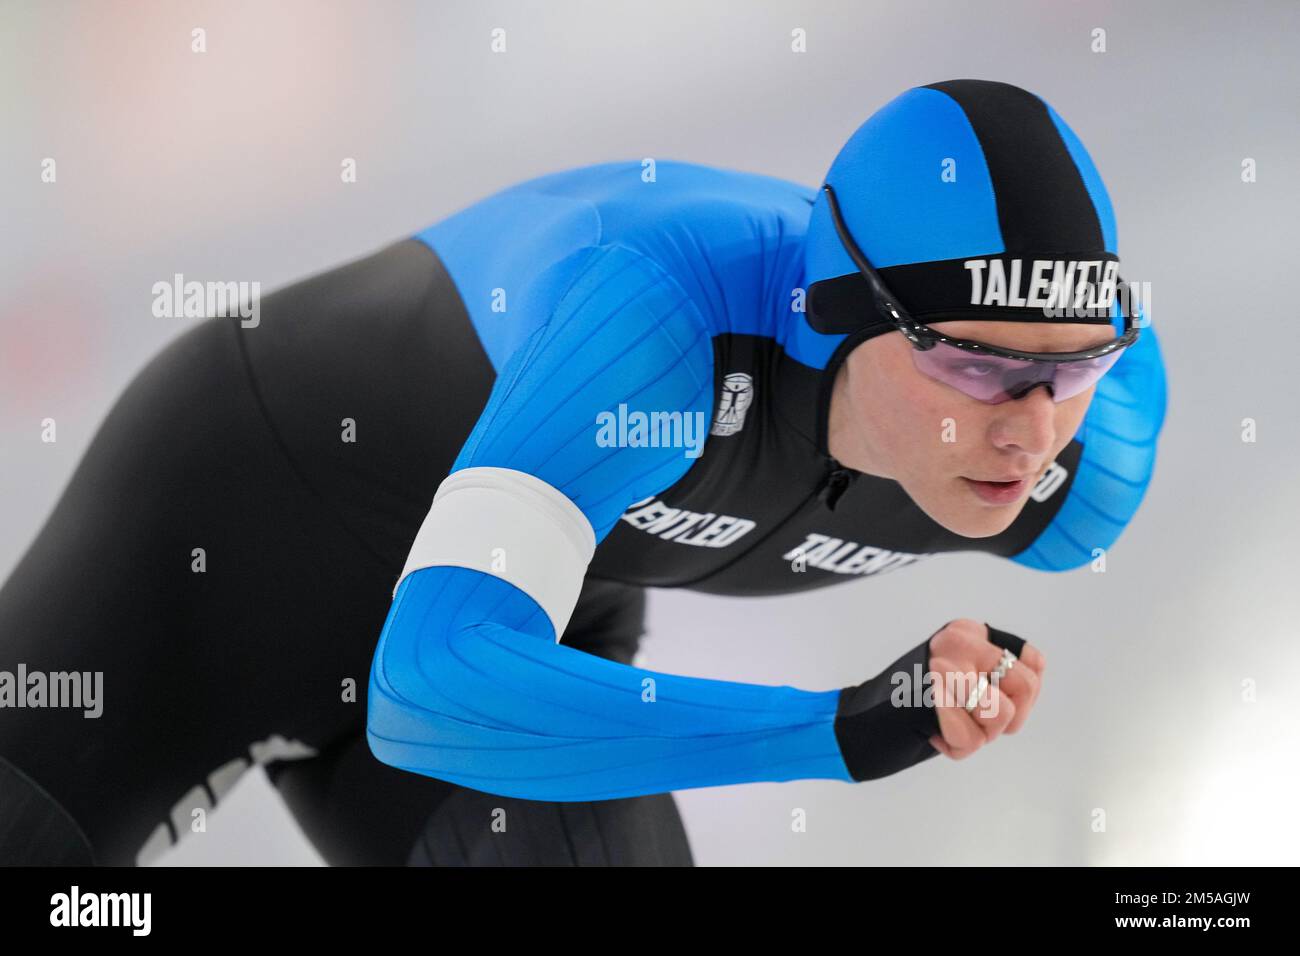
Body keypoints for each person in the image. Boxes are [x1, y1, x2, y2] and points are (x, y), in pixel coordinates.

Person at [0, 78, 1166, 866]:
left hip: (526, 636)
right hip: (238, 531)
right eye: (971, 366)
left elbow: (458, 683)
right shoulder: (662, 324)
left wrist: (1031, 377)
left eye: (1073, 372)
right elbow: (429, 677)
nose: (1027, 430)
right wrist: (839, 725)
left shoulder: (1082, 467)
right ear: (843, 314)